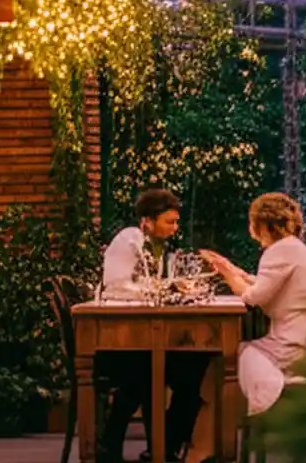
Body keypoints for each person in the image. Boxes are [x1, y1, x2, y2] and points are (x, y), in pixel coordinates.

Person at [99, 189, 210, 463]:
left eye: (176, 222)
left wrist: (172, 287)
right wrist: (165, 288)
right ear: (147, 221)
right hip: (117, 341)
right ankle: (157, 447)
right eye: (169, 222)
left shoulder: (157, 247)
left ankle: (161, 446)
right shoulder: (128, 240)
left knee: (192, 365)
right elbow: (117, 287)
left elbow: (148, 287)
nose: (175, 228)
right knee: (158, 370)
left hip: (143, 340)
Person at [201, 192, 306, 418]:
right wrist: (233, 269)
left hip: (286, 350)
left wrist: (228, 274)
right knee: (220, 361)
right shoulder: (292, 248)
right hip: (298, 342)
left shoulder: (281, 251)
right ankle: (204, 446)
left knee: (222, 360)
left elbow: (252, 297)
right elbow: (265, 285)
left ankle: (214, 447)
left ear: (263, 224)